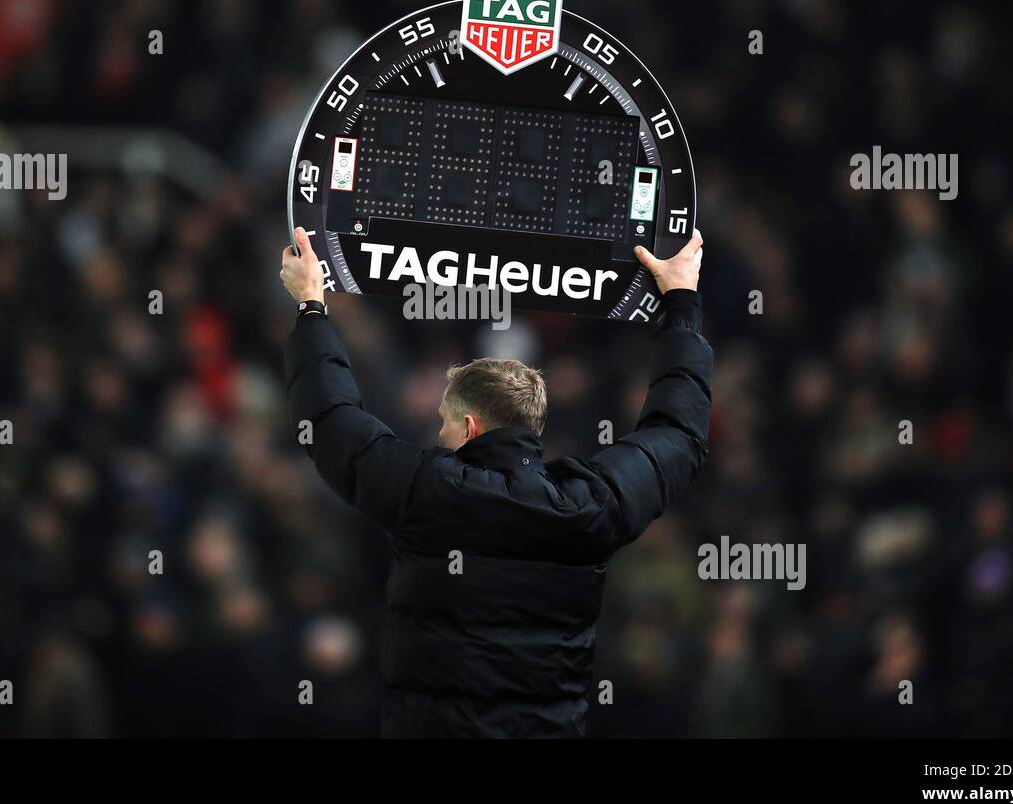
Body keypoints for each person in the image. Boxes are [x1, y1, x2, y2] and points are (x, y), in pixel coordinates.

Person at [281, 225, 712, 737]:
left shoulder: (425, 492)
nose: (438, 434)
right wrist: (681, 302)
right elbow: (678, 433)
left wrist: (311, 305)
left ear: (469, 426)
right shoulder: (589, 506)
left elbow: (330, 419)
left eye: (443, 420)